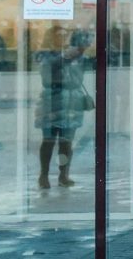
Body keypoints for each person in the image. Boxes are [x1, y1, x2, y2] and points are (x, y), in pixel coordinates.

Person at [37, 29, 93, 190]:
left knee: (66, 142)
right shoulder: (47, 57)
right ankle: (44, 175)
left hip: (72, 105)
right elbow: (46, 79)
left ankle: (63, 175)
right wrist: (63, 59)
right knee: (48, 140)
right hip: (52, 103)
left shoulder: (81, 59)